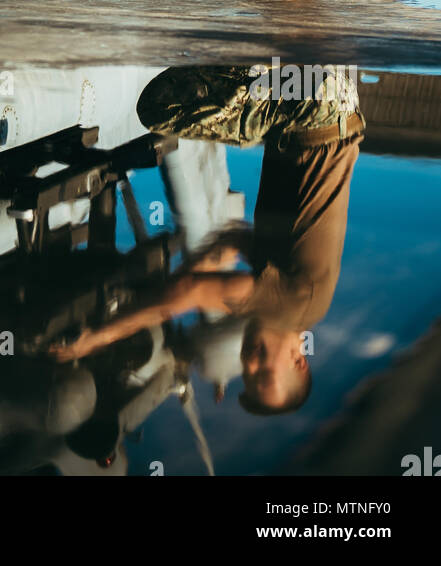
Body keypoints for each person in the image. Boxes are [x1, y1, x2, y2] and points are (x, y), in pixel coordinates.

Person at [51, 63, 364, 417]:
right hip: (311, 103)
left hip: (330, 102)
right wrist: (100, 336)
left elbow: (233, 240)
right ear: (298, 359)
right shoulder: (284, 310)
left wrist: (196, 270)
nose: (248, 364)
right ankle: (250, 70)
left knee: (201, 108)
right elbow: (190, 291)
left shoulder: (303, 300)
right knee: (159, 109)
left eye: (247, 376)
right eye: (263, 373)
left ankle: (255, 70)